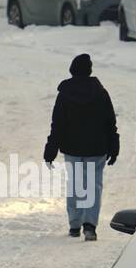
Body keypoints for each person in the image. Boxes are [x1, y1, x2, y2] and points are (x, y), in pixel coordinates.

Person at [43, 53, 119, 241]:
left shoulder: (65, 94)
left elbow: (58, 124)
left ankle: (75, 224)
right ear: (90, 70)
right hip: (97, 148)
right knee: (93, 186)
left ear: (72, 70)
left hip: (72, 148)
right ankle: (90, 226)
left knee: (75, 185)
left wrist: (51, 149)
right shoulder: (101, 93)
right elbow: (110, 122)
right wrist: (114, 145)